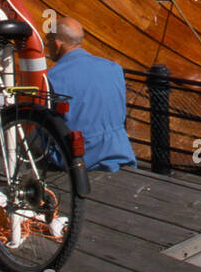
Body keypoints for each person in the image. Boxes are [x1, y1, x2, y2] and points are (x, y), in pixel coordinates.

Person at [44, 17, 135, 172]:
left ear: (58, 44)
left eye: (48, 42)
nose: (46, 46)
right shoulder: (114, 68)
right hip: (120, 152)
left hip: (81, 158)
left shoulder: (52, 79)